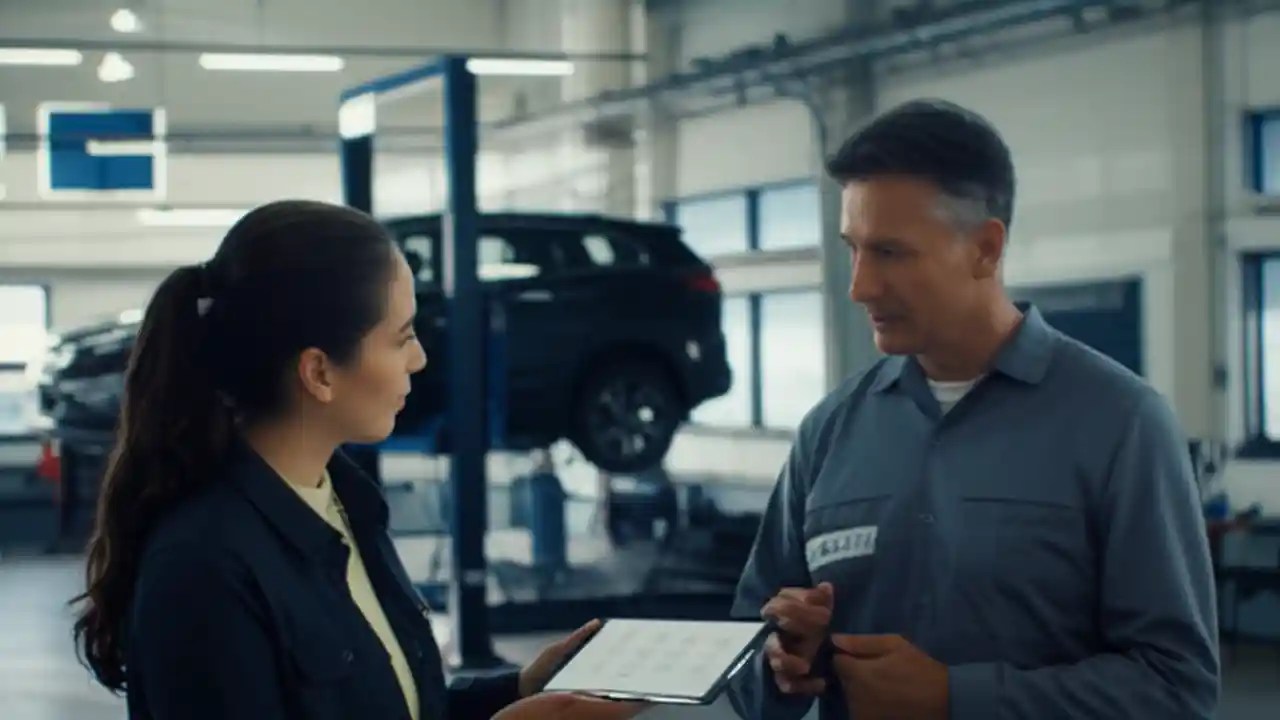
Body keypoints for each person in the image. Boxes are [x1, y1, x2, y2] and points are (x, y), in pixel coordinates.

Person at [727, 100, 1219, 720]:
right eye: (853, 249)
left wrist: (956, 698)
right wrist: (781, 660)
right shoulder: (830, 431)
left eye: (891, 253)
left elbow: (1178, 691)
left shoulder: (1121, 424)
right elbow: (744, 667)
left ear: (985, 248)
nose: (860, 287)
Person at [70, 199, 644, 720]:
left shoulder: (346, 505)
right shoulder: (204, 568)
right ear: (319, 372)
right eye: (401, 338)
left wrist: (520, 687)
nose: (418, 359)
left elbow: (397, 704)